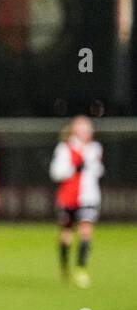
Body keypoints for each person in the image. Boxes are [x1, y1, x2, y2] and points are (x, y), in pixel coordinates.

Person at [50, 115, 103, 287]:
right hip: (68, 197)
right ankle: (65, 267)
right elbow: (56, 173)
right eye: (83, 128)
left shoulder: (95, 148)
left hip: (88, 197)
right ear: (75, 130)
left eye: (88, 128)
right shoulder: (64, 148)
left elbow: (98, 171)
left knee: (86, 231)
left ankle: (81, 269)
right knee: (66, 235)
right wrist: (74, 169)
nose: (88, 131)